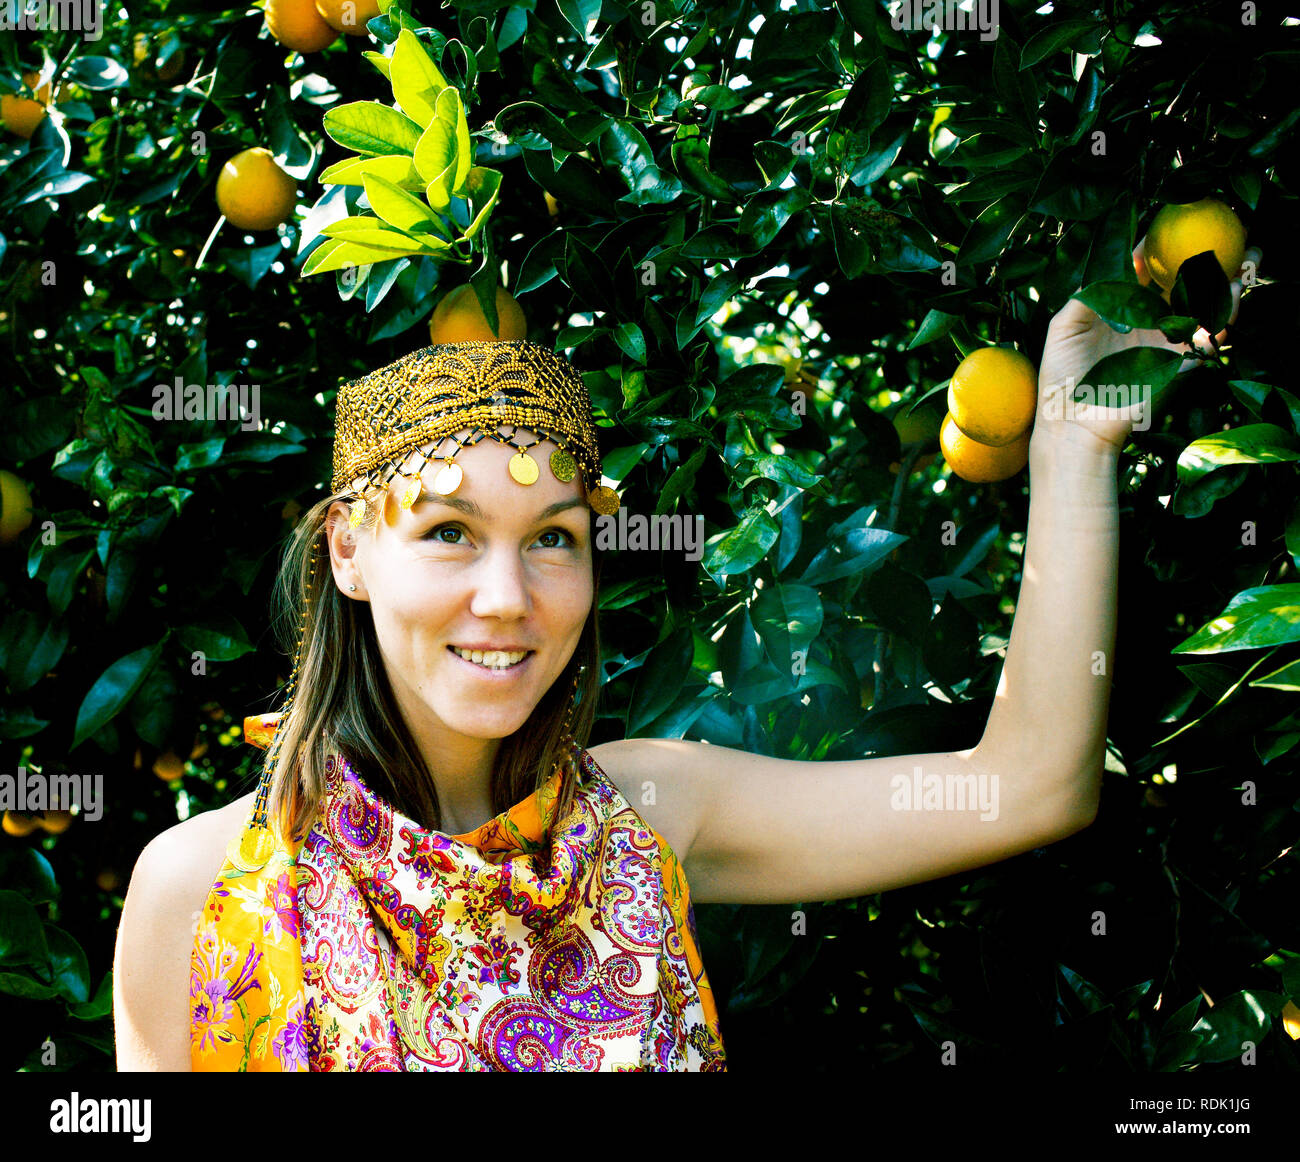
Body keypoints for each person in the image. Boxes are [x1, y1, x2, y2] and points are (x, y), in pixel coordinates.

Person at [112, 242, 1257, 1071]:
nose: (507, 599)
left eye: (553, 539)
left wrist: (1066, 441)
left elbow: (1033, 784)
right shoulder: (203, 889)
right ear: (350, 553)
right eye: (449, 532)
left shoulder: (650, 812)